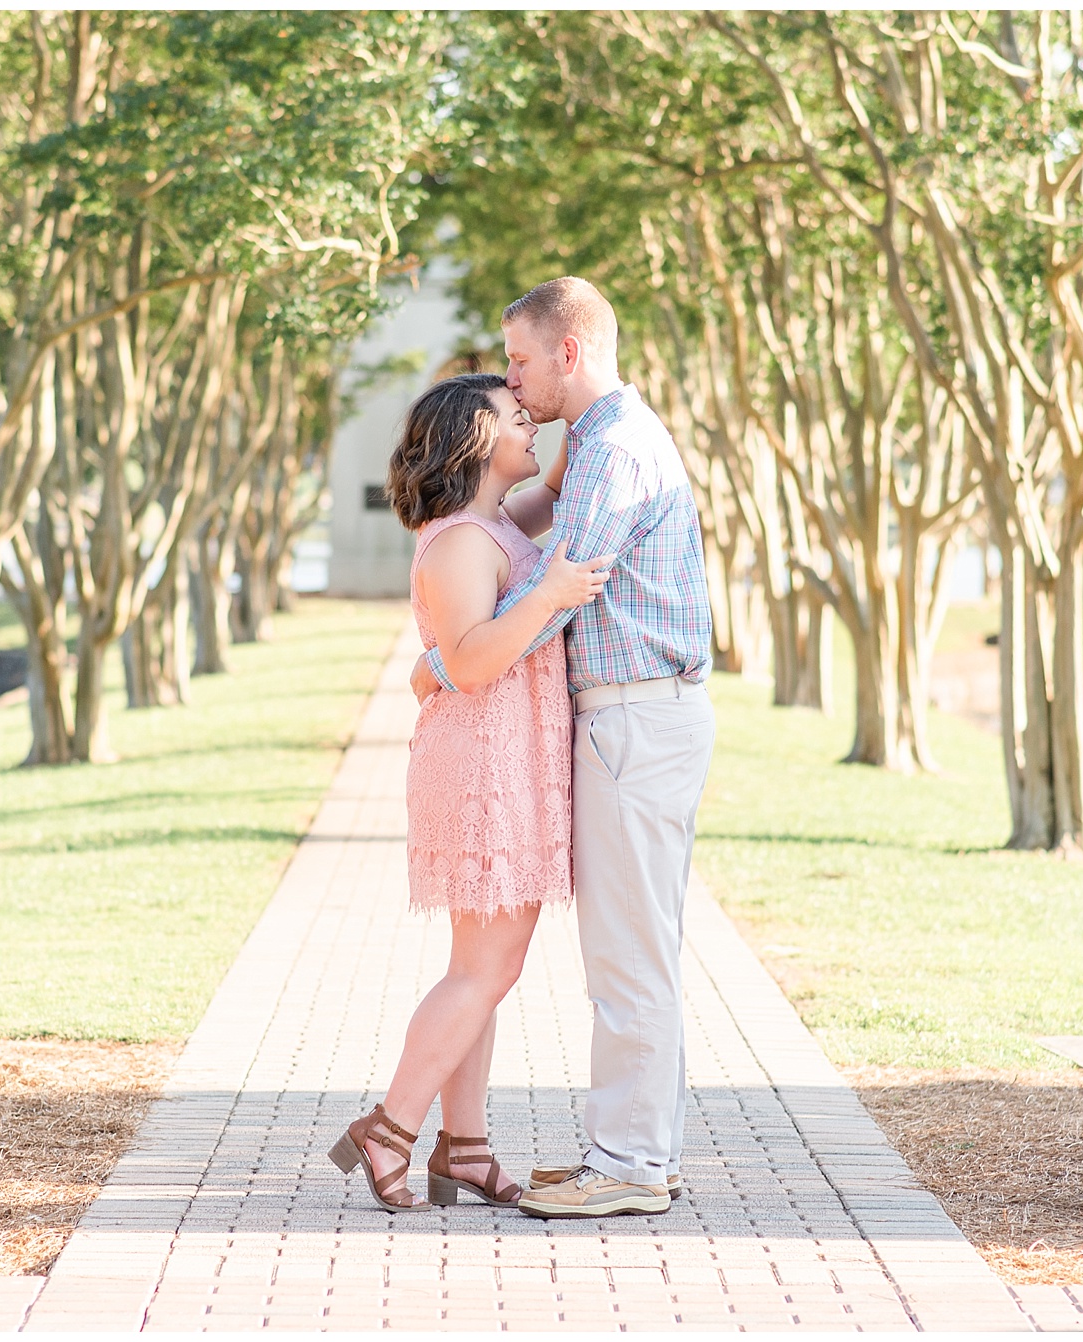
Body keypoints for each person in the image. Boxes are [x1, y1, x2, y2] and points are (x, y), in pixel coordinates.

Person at [413, 278, 715, 1219]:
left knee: (629, 954)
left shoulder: (615, 450)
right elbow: (523, 536)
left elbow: (553, 590)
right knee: (632, 947)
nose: (511, 376)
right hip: (627, 716)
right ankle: (635, 1154)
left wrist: (443, 664)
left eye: (520, 361)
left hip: (635, 714)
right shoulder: (595, 443)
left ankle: (627, 1164)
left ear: (569, 355)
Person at [329, 372, 613, 1213]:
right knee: (487, 969)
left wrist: (588, 411)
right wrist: (555, 595)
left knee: (479, 971)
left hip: (508, 759)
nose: (530, 425)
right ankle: (391, 1129)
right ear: (474, 441)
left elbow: (558, 487)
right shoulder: (458, 540)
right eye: (515, 417)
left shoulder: (492, 523)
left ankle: (466, 1148)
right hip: (483, 766)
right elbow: (475, 660)